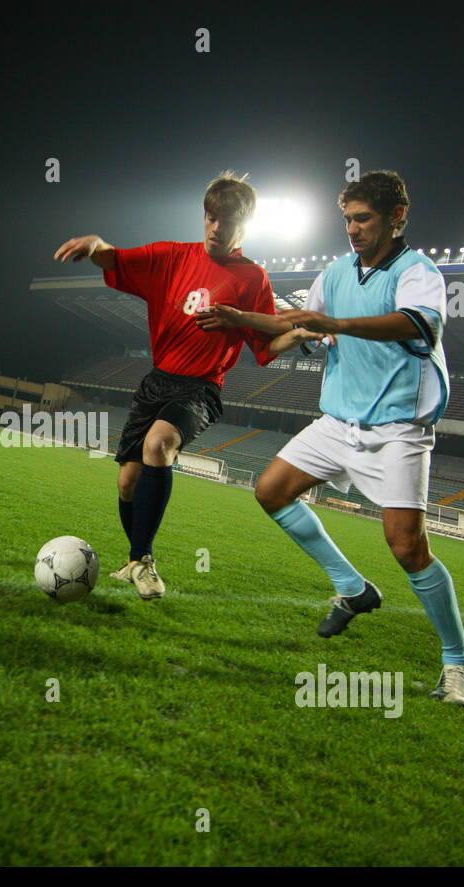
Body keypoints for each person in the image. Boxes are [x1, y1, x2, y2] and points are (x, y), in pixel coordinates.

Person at [195, 170, 464, 705]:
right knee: (271, 490)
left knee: (407, 547)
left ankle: (458, 664)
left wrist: (335, 323)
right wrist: (241, 316)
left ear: (396, 217)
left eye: (363, 218)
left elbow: (417, 326)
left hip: (397, 429)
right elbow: (296, 324)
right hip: (337, 422)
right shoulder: (334, 272)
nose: (352, 228)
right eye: (347, 218)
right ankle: (352, 588)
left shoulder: (419, 272)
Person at [54, 171, 321, 600]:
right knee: (127, 483)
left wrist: (302, 334)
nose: (216, 228)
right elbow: (117, 260)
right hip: (156, 380)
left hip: (200, 388)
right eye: (210, 217)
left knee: (159, 445)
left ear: (245, 226)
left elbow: (268, 345)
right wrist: (97, 246)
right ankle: (137, 560)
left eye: (227, 221)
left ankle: (141, 561)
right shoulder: (171, 256)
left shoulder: (253, 279)